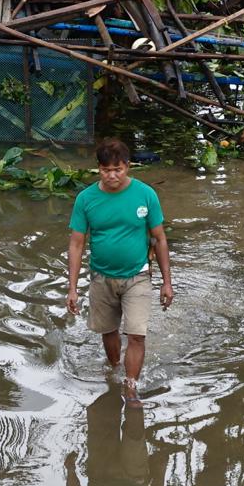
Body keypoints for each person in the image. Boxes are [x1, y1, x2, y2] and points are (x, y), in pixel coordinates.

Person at [66, 139, 173, 406]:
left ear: (128, 167)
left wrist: (167, 283)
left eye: (118, 169)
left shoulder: (146, 194)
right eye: (106, 170)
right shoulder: (86, 199)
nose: (112, 176)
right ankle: (114, 369)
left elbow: (159, 239)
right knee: (109, 331)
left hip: (137, 275)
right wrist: (72, 288)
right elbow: (77, 243)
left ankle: (131, 387)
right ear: (98, 169)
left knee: (136, 333)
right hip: (101, 277)